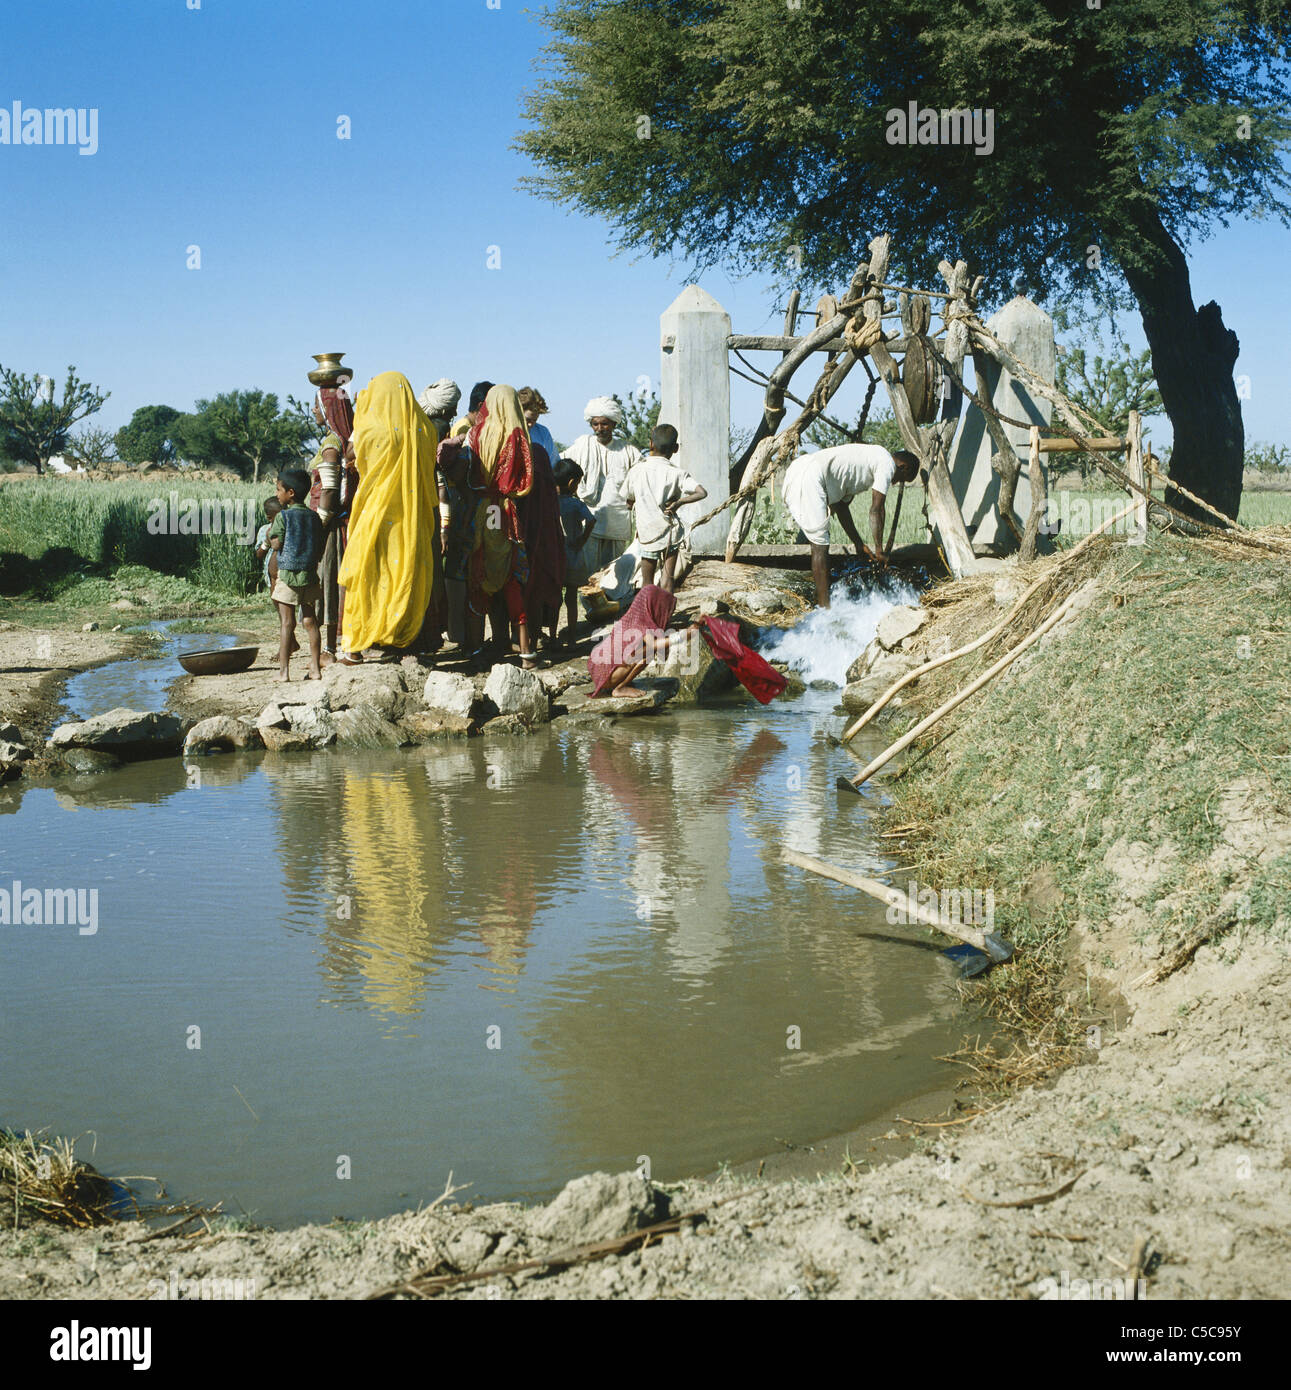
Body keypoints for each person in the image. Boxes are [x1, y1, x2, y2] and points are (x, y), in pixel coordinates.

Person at [336, 371, 440, 660]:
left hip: (376, 511)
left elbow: (353, 457)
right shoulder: (425, 429)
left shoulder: (371, 428)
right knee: (403, 572)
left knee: (368, 570)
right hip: (412, 517)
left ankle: (355, 645)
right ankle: (396, 640)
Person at [781, 443, 922, 607]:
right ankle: (824, 610)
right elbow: (876, 510)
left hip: (801, 468)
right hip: (810, 475)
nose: (895, 483)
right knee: (820, 546)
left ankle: (810, 595)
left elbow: (841, 507)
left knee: (817, 537)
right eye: (900, 479)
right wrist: (879, 550)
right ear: (902, 467)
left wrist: (859, 544)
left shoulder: (871, 459)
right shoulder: (887, 464)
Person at [466, 384, 540, 669]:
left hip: (483, 510)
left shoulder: (476, 433)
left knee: (480, 572)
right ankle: (525, 652)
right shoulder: (516, 434)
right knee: (510, 576)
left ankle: (474, 649)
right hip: (504, 510)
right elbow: (524, 480)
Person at [622, 423, 707, 592]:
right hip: (670, 534)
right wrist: (679, 502)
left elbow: (628, 501)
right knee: (668, 578)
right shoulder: (677, 473)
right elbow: (701, 493)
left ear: (650, 444)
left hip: (648, 534)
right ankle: (665, 617)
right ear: (675, 448)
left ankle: (648, 616)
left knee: (647, 581)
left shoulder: (637, 470)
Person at [564, 395, 642, 571]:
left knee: (616, 572)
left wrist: (635, 497)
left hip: (618, 521)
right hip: (590, 520)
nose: (599, 428)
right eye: (595, 424)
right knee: (589, 575)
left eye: (604, 424)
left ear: (614, 423)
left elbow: (643, 475)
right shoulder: (582, 446)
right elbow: (560, 465)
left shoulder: (628, 450)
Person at [588, 583, 697, 698]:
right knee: (649, 652)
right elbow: (655, 645)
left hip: (599, 674)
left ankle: (622, 682)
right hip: (607, 677)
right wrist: (682, 636)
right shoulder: (642, 624)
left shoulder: (631, 618)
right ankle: (620, 688)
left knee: (641, 651)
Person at [309, 385, 354, 664]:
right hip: (348, 522)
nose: (314, 410)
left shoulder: (331, 444)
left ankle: (329, 649)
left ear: (328, 409)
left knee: (330, 582)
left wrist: (320, 522)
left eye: (318, 405)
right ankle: (349, 642)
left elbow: (329, 488)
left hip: (332, 527)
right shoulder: (349, 441)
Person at [266, 468, 324, 681]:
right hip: (309, 574)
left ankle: (284, 673)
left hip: (288, 575)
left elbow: (277, 543)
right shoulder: (314, 517)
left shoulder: (283, 517)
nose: (277, 494)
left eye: (278, 489)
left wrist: (269, 537)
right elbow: (320, 546)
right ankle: (316, 670)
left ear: (290, 493)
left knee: (287, 623)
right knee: (310, 621)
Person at [553, 459, 596, 647]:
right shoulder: (576, 504)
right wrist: (582, 539)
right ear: (572, 483)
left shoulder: (550, 503)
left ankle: (553, 637)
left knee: (554, 599)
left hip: (554, 558)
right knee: (571, 599)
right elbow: (591, 520)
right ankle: (571, 638)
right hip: (573, 556)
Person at [518, 387, 559, 471]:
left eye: (535, 420)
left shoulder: (543, 433)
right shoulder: (507, 431)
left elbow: (553, 463)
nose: (531, 424)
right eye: (528, 420)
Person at [254, 496, 281, 589]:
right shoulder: (264, 530)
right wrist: (267, 542)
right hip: (271, 575)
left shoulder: (290, 529)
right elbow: (259, 554)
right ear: (270, 518)